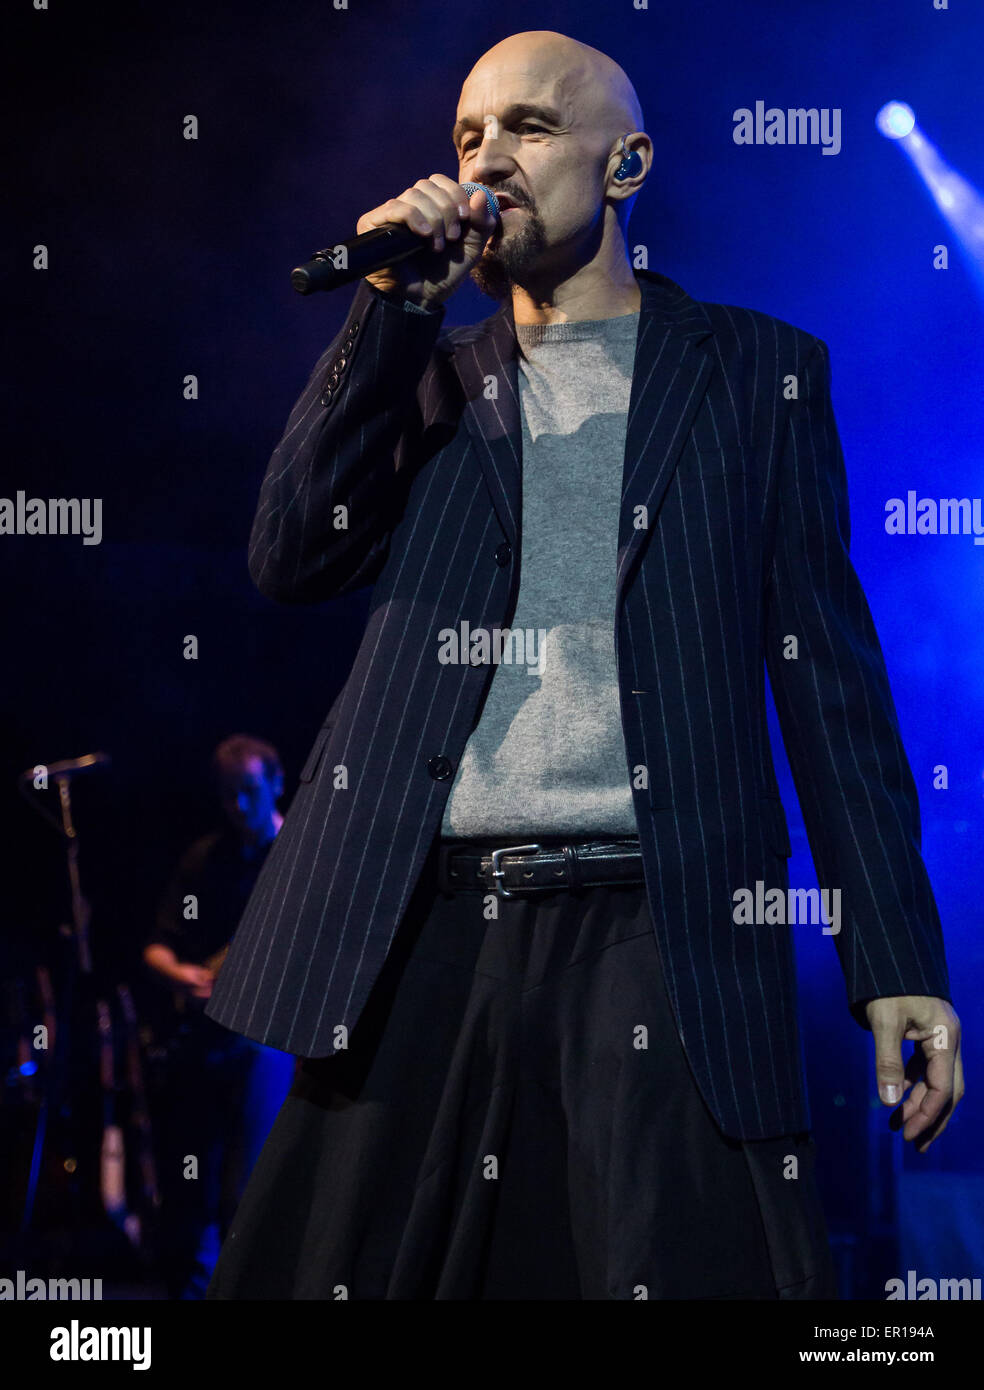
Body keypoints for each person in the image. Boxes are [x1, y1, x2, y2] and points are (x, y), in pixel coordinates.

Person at [204, 31, 962, 1300]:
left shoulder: (758, 376)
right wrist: (390, 313)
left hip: (658, 925)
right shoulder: (431, 380)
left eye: (528, 129)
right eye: (464, 138)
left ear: (628, 164)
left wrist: (895, 961)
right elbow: (290, 556)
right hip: (423, 922)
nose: (486, 160)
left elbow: (831, 689)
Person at [143, 734, 290, 1297]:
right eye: (229, 796)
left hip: (269, 1040)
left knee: (250, 1180)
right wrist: (185, 976)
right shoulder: (206, 858)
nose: (240, 808)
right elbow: (155, 945)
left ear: (275, 783)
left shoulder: (300, 856)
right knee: (193, 1186)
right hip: (205, 1039)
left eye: (249, 792)